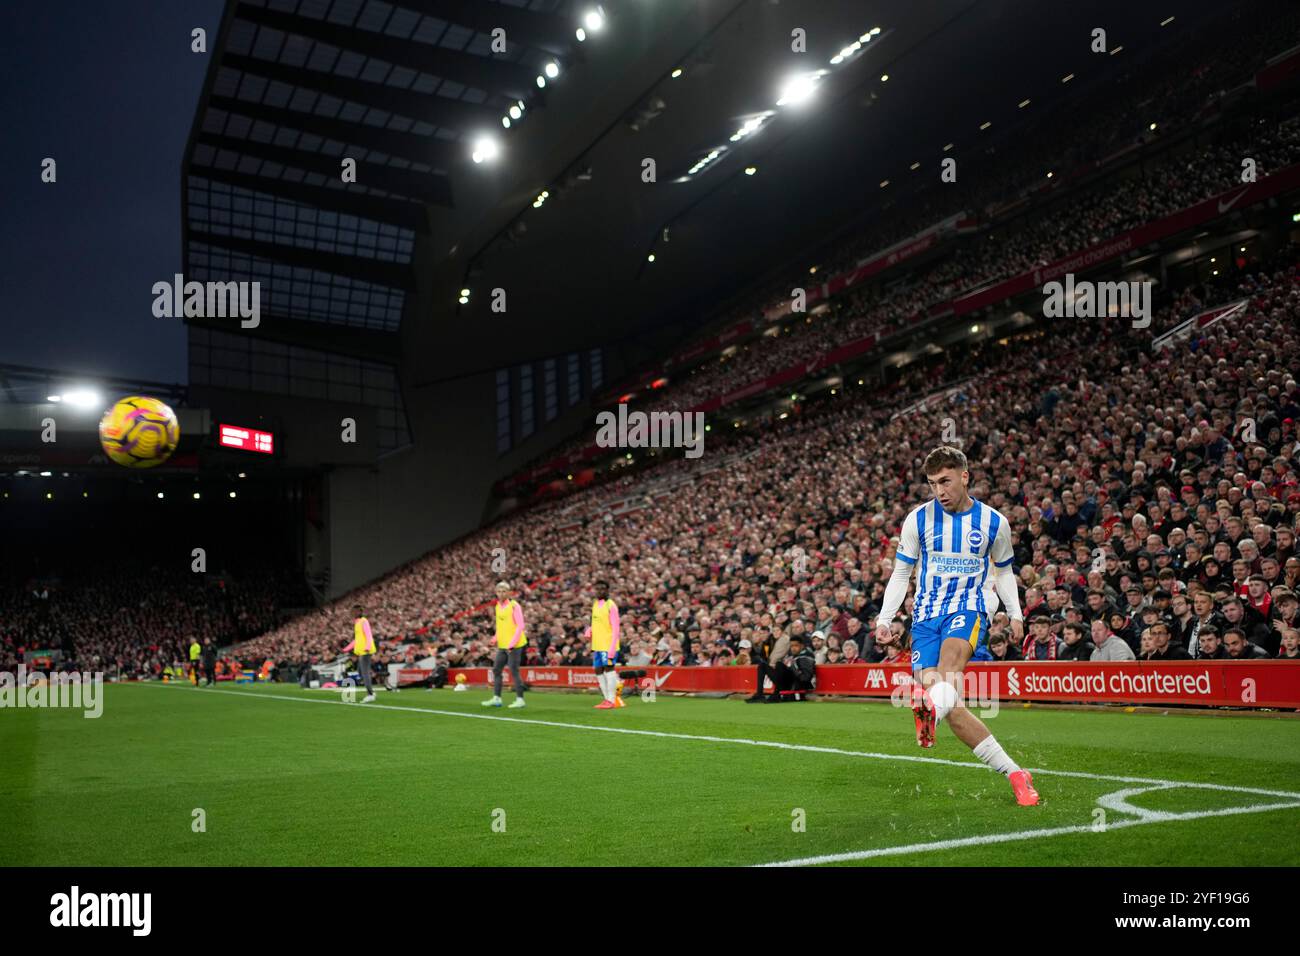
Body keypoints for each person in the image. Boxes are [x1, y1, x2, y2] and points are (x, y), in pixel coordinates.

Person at [875, 445, 1038, 806]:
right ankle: (1015, 773)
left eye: (946, 481)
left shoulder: (994, 522)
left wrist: (1015, 614)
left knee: (948, 676)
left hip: (968, 608)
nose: (940, 491)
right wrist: (885, 618)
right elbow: (902, 572)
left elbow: (1005, 571)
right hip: (925, 619)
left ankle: (928, 707)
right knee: (951, 708)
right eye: (933, 484)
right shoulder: (917, 520)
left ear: (965, 477)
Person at [483, 582, 527, 708]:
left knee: (514, 670)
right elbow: (500, 627)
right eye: (499, 591)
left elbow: (520, 626)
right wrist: (494, 638)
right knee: (497, 669)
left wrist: (512, 644)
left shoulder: (514, 606)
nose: (501, 594)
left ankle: (520, 699)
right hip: (503, 645)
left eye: (504, 591)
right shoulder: (497, 606)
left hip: (515, 644)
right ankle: (497, 698)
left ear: (509, 593)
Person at [585, 579, 624, 710]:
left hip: (608, 644)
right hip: (597, 645)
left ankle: (611, 700)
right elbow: (595, 621)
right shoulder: (595, 604)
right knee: (598, 670)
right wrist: (590, 629)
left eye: (602, 589)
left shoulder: (611, 605)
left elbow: (616, 628)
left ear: (607, 590)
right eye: (597, 589)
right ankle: (606, 698)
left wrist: (612, 647)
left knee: (609, 669)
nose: (599, 591)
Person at [343, 604, 377, 703]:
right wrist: (347, 648)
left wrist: (367, 647)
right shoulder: (357, 623)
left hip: (365, 651)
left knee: (365, 673)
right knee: (361, 673)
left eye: (354, 611)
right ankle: (371, 692)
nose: (352, 613)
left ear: (359, 612)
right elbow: (357, 640)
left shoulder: (364, 621)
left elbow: (369, 635)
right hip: (361, 652)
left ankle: (370, 694)